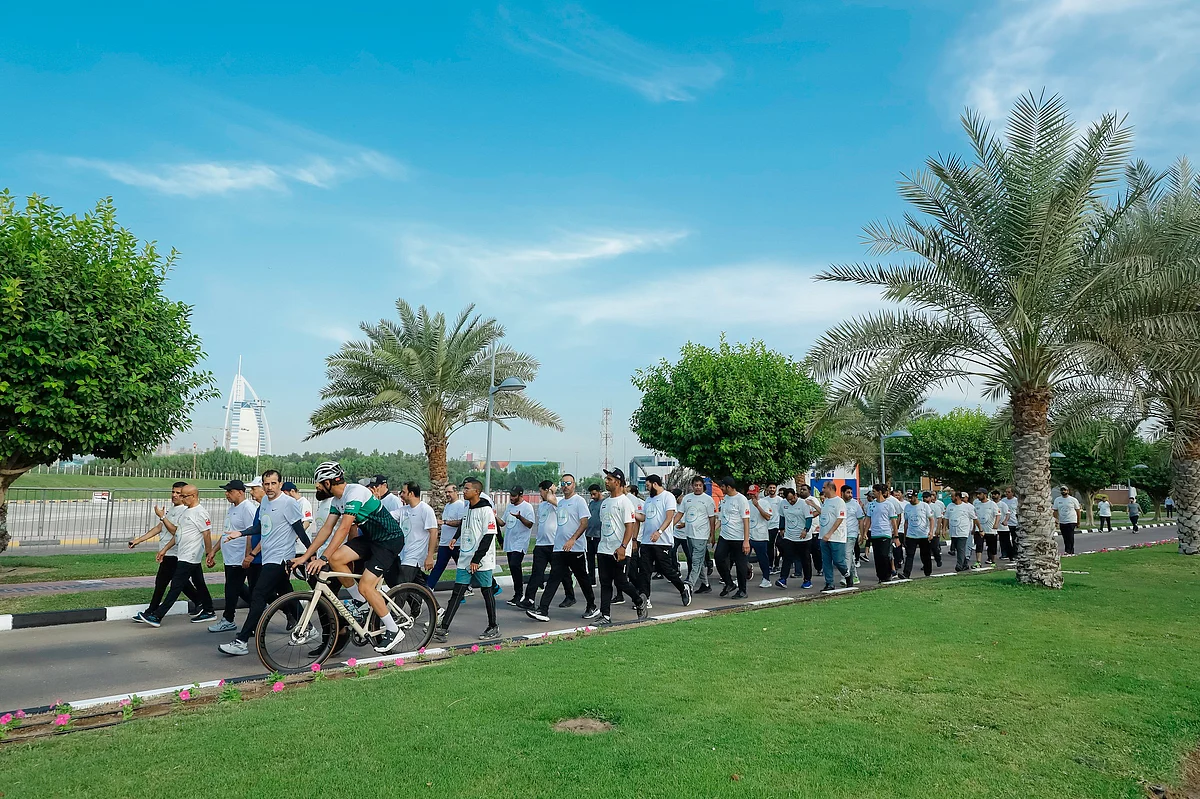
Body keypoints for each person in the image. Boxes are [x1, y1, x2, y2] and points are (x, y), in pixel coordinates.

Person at [219, 470, 318, 654]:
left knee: (258, 595)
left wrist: (311, 554)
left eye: (273, 483)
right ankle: (309, 628)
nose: (270, 487)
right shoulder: (264, 502)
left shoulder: (288, 503)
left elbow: (299, 530)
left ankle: (241, 641)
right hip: (268, 557)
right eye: (266, 484)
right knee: (284, 593)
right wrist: (240, 533)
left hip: (280, 558)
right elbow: (260, 527)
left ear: (280, 484)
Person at [136, 484, 216, 627]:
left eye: (184, 496)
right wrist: (164, 549)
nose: (181, 498)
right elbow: (178, 534)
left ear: (193, 496)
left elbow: (207, 534)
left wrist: (209, 554)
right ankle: (208, 610)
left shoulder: (200, 512)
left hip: (190, 555)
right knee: (199, 583)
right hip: (183, 554)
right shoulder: (186, 512)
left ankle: (157, 615)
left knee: (176, 586)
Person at [433, 478, 501, 641]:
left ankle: (493, 626)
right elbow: (465, 525)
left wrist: (477, 560)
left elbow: (488, 537)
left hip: (481, 560)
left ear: (477, 491)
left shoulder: (486, 510)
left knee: (487, 592)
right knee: (457, 593)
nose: (464, 491)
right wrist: (455, 538)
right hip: (465, 557)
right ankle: (444, 628)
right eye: (464, 488)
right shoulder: (467, 509)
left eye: (467, 489)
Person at [526, 474, 597, 622]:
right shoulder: (561, 502)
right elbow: (550, 498)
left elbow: (584, 523)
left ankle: (592, 606)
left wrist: (572, 539)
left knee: (582, 578)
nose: (565, 486)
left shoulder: (579, 501)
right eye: (563, 483)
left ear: (574, 485)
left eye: (568, 483)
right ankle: (543, 610)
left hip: (575, 548)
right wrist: (552, 489)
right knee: (553, 578)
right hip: (559, 548)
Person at [594, 469, 649, 624]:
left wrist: (624, 547)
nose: (606, 481)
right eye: (606, 478)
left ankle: (639, 601)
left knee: (621, 582)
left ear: (617, 482)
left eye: (609, 479)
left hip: (620, 550)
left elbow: (629, 526)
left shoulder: (625, 502)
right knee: (605, 582)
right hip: (604, 548)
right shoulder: (605, 503)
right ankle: (605, 616)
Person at [207, 480, 258, 633]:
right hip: (230, 556)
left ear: (240, 492)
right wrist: (214, 550)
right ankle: (261, 608)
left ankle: (228, 619)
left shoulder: (247, 508)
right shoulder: (231, 509)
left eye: (230, 491)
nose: (226, 494)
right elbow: (226, 533)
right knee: (238, 588)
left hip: (239, 556)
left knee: (231, 589)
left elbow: (251, 532)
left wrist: (248, 555)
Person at [632, 475, 691, 606]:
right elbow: (644, 518)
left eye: (648, 486)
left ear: (654, 484)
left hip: (662, 541)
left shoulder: (667, 497)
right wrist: (633, 514)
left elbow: (669, 517)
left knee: (666, 570)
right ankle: (645, 598)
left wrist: (659, 532)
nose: (647, 489)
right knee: (644, 571)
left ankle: (683, 589)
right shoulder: (648, 500)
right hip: (647, 541)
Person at [519, 480, 561, 610]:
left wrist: (552, 492)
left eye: (541, 491)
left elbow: (553, 501)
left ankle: (570, 595)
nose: (539, 494)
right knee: (536, 572)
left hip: (554, 544)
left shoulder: (558, 501)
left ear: (546, 490)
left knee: (560, 573)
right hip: (541, 544)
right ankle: (529, 599)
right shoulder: (542, 506)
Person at [675, 476, 716, 594]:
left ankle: (689, 584)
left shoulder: (708, 500)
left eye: (700, 485)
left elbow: (712, 518)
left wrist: (712, 534)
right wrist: (669, 525)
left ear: (703, 486)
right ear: (692, 486)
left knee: (696, 560)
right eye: (695, 485)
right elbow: (680, 514)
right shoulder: (687, 498)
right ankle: (705, 584)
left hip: (701, 535)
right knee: (698, 560)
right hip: (689, 534)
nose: (697, 488)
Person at [714, 477, 752, 598]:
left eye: (723, 486)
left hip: (738, 538)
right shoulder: (724, 499)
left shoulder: (741, 499)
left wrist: (746, 541)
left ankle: (742, 590)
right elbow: (721, 518)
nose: (721, 488)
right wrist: (712, 532)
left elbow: (746, 521)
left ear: (729, 487)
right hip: (725, 536)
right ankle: (729, 583)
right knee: (718, 557)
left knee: (740, 565)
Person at [425, 484, 468, 589]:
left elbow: (460, 522)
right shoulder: (448, 505)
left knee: (463, 568)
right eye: (446, 492)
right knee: (439, 566)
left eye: (449, 492)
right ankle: (429, 588)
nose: (447, 494)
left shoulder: (460, 505)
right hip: (445, 543)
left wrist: (444, 522)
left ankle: (467, 587)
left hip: (456, 544)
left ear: (456, 492)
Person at [498, 486, 535, 606]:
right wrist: (493, 516)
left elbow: (530, 524)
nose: (511, 498)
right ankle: (517, 594)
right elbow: (502, 523)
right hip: (510, 542)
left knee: (515, 565)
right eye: (510, 495)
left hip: (520, 542)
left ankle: (520, 594)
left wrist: (520, 517)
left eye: (514, 496)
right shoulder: (509, 507)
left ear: (520, 495)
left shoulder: (527, 507)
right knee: (513, 568)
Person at [398, 481, 438, 586]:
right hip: (403, 554)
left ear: (411, 493)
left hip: (414, 555)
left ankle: (397, 603)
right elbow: (387, 516)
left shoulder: (425, 510)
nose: (401, 495)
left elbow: (433, 532)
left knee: (402, 586)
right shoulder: (403, 510)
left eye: (403, 492)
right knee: (417, 584)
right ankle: (423, 600)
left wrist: (430, 556)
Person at [817, 481, 852, 591]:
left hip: (837, 537)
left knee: (838, 561)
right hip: (823, 537)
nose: (822, 490)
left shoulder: (839, 502)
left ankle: (847, 574)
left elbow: (840, 518)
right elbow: (823, 513)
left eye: (824, 488)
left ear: (830, 488)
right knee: (826, 561)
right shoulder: (826, 501)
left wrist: (830, 533)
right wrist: (814, 506)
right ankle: (829, 583)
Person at [775, 488, 810, 588]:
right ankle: (783, 579)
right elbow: (782, 516)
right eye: (788, 500)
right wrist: (781, 528)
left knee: (805, 559)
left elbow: (809, 518)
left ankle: (807, 580)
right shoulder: (783, 504)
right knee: (787, 557)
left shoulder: (804, 503)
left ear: (795, 495)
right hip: (789, 536)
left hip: (803, 537)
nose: (791, 501)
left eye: (792, 499)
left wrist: (806, 529)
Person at [867, 483, 899, 582]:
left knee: (884, 555)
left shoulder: (889, 504)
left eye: (874, 491)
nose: (873, 493)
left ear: (879, 492)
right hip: (875, 534)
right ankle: (880, 576)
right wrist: (864, 532)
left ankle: (887, 574)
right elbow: (868, 519)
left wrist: (896, 535)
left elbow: (894, 521)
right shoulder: (871, 504)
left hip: (885, 533)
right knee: (877, 557)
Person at [746, 484, 774, 588]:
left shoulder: (765, 503)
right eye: (750, 494)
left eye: (754, 494)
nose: (752, 496)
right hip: (748, 535)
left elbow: (767, 517)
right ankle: (744, 575)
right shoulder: (746, 503)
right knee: (743, 557)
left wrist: (757, 506)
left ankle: (766, 579)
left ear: (758, 493)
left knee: (762, 558)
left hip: (761, 535)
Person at [901, 491, 934, 578]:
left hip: (923, 535)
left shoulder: (924, 506)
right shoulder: (907, 507)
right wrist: (905, 535)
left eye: (911, 497)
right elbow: (906, 522)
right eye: (908, 497)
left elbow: (931, 519)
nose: (910, 499)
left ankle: (928, 572)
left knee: (925, 555)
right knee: (909, 555)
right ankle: (906, 573)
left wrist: (931, 532)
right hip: (911, 535)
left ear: (916, 497)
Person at [841, 485, 866, 584]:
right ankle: (854, 576)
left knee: (847, 555)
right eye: (848, 492)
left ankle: (845, 577)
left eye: (851, 492)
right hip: (841, 534)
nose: (850, 495)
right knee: (849, 556)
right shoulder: (839, 503)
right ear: (842, 493)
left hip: (852, 533)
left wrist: (862, 534)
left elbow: (861, 520)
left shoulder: (855, 504)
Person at [946, 491, 977, 571]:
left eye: (952, 496)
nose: (951, 498)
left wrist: (978, 528)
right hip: (953, 531)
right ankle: (965, 564)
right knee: (958, 548)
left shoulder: (967, 507)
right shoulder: (950, 506)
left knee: (961, 548)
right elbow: (946, 518)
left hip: (963, 531)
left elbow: (975, 518)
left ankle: (959, 565)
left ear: (957, 497)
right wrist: (943, 529)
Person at [974, 488, 1001, 566]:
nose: (978, 496)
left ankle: (993, 561)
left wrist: (996, 524)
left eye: (980, 494)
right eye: (977, 494)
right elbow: (975, 517)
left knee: (992, 547)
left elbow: (998, 515)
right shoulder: (976, 504)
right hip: (979, 529)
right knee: (979, 545)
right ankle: (978, 562)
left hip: (990, 529)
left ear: (985, 495)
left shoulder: (992, 504)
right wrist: (974, 528)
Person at [1052, 486, 1082, 555]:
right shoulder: (1057, 500)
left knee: (1070, 536)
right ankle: (1067, 550)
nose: (1063, 491)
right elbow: (1055, 511)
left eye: (1065, 490)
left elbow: (1078, 511)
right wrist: (1056, 520)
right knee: (1065, 536)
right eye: (1062, 490)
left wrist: (1078, 522)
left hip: (1071, 520)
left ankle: (1070, 551)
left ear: (1068, 491)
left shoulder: (1073, 500)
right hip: (1062, 521)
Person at [585, 484, 603, 586]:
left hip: (599, 535)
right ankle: (591, 580)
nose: (592, 496)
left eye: (594, 494)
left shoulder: (604, 503)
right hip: (589, 534)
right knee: (590, 559)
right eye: (591, 494)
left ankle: (603, 579)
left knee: (600, 560)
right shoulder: (591, 504)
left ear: (599, 492)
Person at [924, 491, 945, 567]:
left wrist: (938, 529)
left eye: (926, 497)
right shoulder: (922, 506)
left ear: (930, 498)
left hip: (934, 530)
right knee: (926, 550)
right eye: (924, 497)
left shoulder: (935, 507)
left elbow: (939, 518)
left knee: (935, 548)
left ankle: (938, 559)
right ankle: (926, 565)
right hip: (924, 531)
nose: (925, 499)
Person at [1000, 487, 1020, 559]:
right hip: (1004, 523)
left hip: (1014, 522)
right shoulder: (1003, 501)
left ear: (1012, 493)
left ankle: (1014, 554)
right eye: (1006, 492)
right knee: (1004, 540)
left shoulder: (1016, 501)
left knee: (1014, 539)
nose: (1007, 493)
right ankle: (1005, 553)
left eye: (1008, 492)